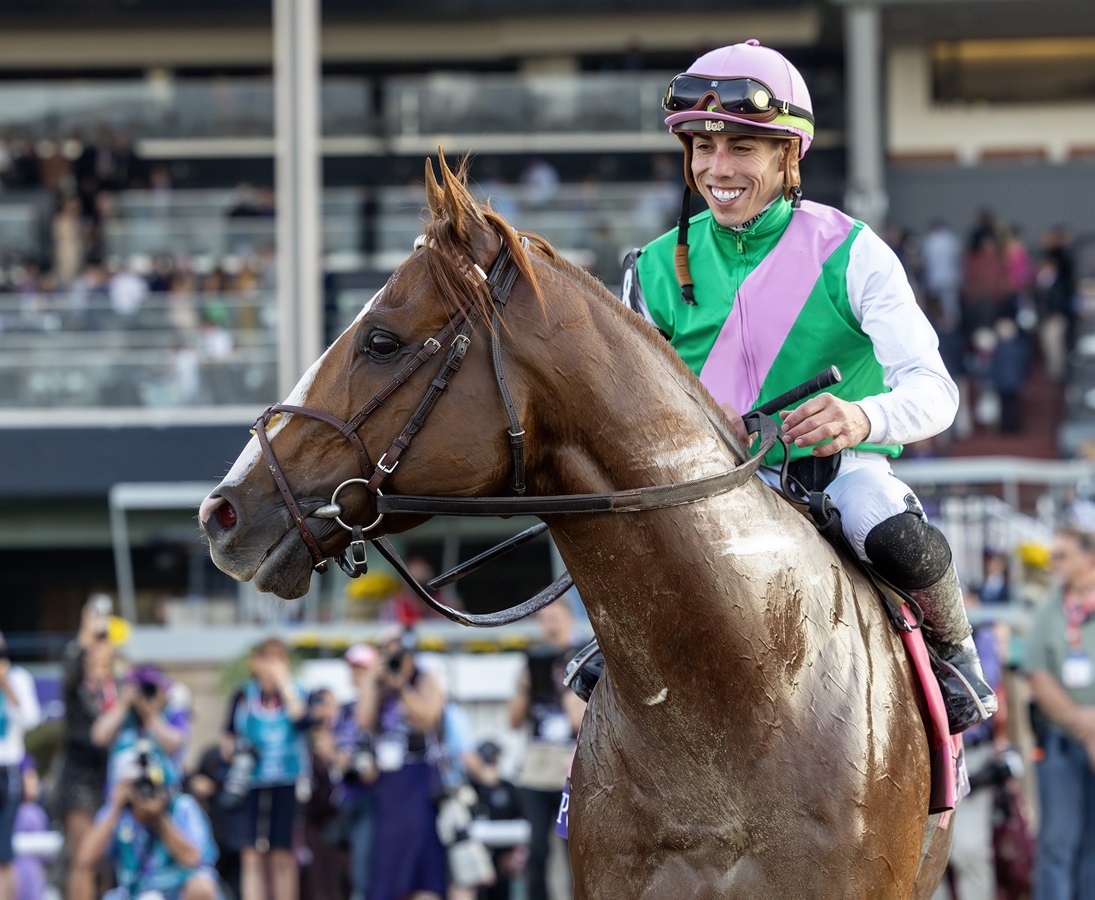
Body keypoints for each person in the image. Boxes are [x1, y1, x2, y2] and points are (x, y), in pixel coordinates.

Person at [618, 38, 996, 733]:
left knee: (886, 527)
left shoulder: (853, 252)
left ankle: (956, 655)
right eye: (701, 147)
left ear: (789, 155)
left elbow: (934, 392)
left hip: (838, 474)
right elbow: (633, 415)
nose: (715, 168)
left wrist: (859, 417)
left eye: (740, 148)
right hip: (708, 486)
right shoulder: (649, 270)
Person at [1022, 524, 1095, 899]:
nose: (1055, 562)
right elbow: (1038, 675)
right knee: (1056, 844)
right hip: (1061, 745)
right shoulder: (1050, 609)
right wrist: (1084, 726)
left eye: (1063, 555)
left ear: (1090, 559)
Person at [355, 628, 447, 900]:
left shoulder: (424, 678)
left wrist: (403, 688)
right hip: (388, 782)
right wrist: (371, 683)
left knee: (420, 852)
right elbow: (363, 721)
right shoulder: (378, 682)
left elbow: (428, 717)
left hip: (419, 777)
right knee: (388, 859)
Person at [508, 603, 586, 900]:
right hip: (537, 766)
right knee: (537, 849)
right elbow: (513, 722)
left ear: (569, 620)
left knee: (571, 849)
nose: (549, 626)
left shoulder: (582, 657)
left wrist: (562, 683)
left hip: (571, 767)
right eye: (544, 620)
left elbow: (578, 720)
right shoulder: (534, 659)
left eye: (555, 618)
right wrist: (525, 687)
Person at [72, 746, 219, 900]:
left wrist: (160, 819)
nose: (145, 791)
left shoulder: (182, 807)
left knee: (201, 887)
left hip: (176, 890)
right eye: (139, 784)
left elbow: (193, 859)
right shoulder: (119, 810)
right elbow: (85, 859)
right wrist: (115, 808)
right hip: (135, 891)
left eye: (150, 784)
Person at [224, 637, 309, 900]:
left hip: (285, 783)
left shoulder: (297, 692)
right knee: (252, 856)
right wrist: (239, 753)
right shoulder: (243, 695)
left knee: (282, 856)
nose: (272, 665)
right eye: (267, 658)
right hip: (250, 784)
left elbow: (301, 718)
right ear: (255, 662)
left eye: (278, 658)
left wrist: (283, 683)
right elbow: (226, 738)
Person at [57, 595, 123, 900]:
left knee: (107, 860)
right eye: (96, 642)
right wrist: (86, 632)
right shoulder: (77, 682)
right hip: (79, 777)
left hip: (110, 777)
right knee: (84, 857)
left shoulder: (118, 686)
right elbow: (71, 666)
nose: (100, 647)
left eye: (104, 641)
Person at [0, 634, 41, 900]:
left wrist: (6, 685)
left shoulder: (19, 678)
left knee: (3, 852)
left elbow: (31, 720)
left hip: (7, 770)